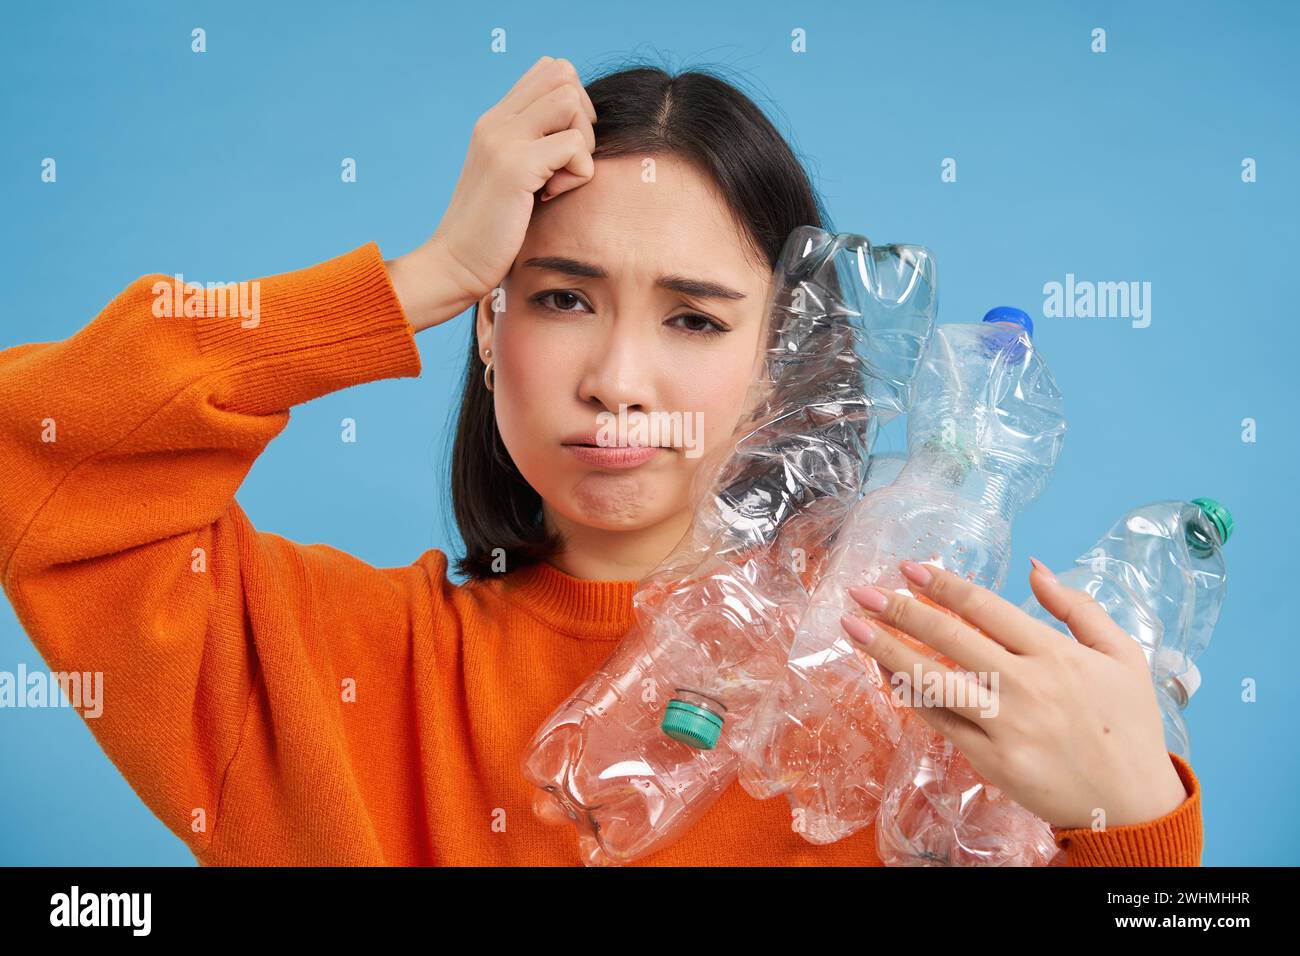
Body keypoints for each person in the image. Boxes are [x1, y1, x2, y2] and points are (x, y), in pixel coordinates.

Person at [0, 55, 1201, 865]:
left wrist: (1127, 816)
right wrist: (420, 276)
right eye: (560, 297)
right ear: (489, 328)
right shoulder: (341, 666)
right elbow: (36, 447)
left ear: (783, 361)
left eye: (693, 317)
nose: (617, 376)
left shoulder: (905, 697)